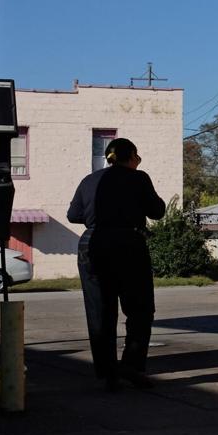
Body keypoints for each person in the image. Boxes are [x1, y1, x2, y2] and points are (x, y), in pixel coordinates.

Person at [66, 137, 165, 391]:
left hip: (91, 243)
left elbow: (74, 214)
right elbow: (157, 211)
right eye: (137, 157)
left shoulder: (89, 180)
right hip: (127, 243)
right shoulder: (138, 178)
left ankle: (108, 373)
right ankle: (131, 366)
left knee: (100, 311)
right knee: (140, 308)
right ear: (131, 156)